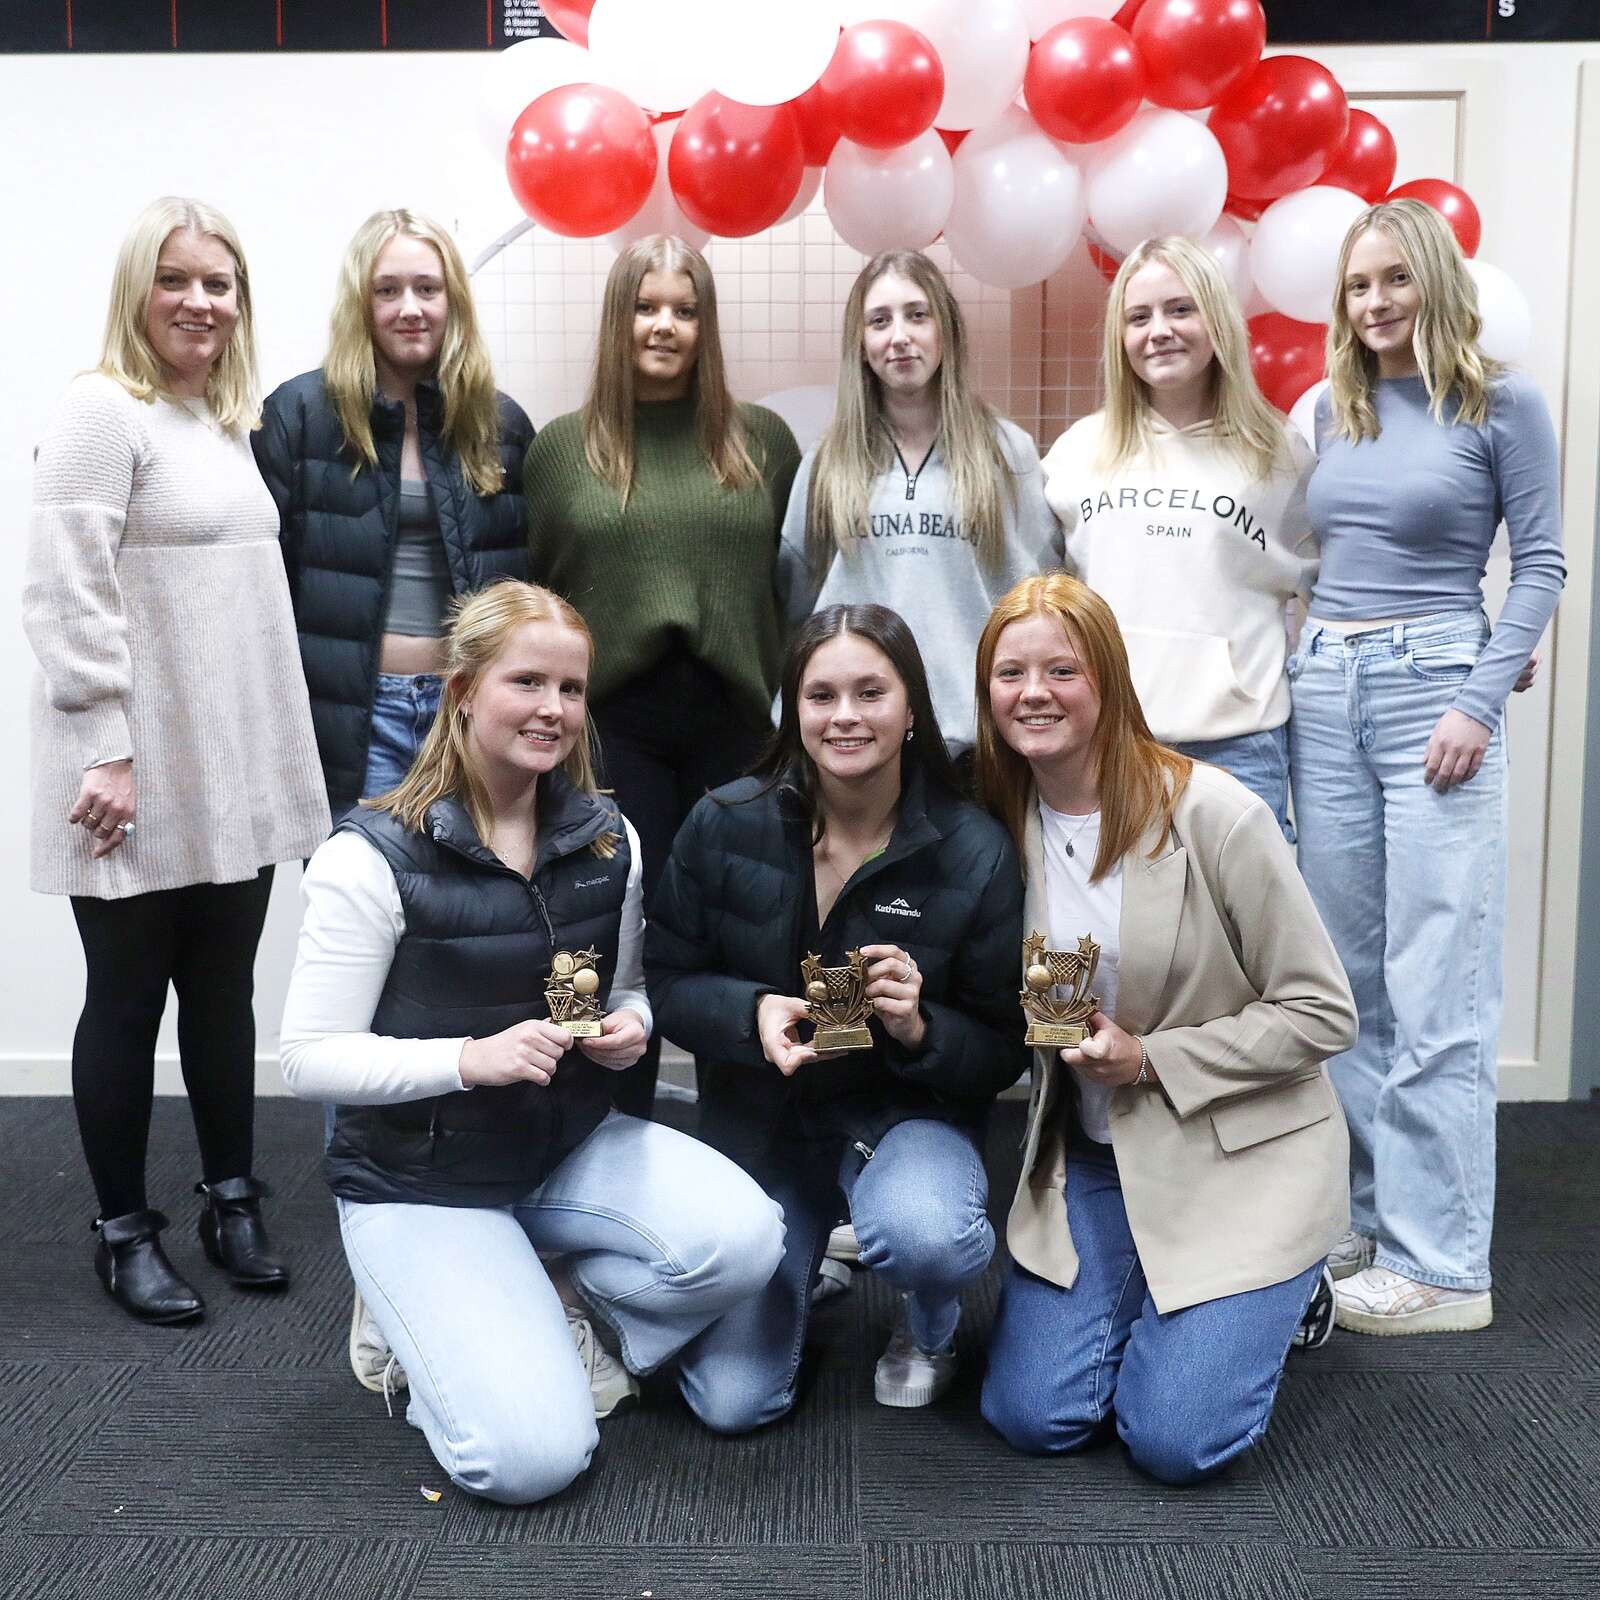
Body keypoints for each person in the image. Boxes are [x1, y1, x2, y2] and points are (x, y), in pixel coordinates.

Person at [278, 581, 784, 1505]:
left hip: (563, 1149)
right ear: (462, 688)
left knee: (748, 1242)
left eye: (573, 689)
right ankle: (415, 1332)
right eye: (527, 683)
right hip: (421, 1180)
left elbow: (624, 990)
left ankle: (549, 1307)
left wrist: (633, 1028)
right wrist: (466, 1060)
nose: (554, 710)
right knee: (528, 1462)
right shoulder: (369, 856)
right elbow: (308, 1057)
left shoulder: (609, 837)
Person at [974, 574, 1356, 1484]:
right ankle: (1169, 1288)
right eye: (1009, 673)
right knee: (1035, 1417)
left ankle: (1291, 1282)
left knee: (1173, 1441)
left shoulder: (1215, 814)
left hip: (1237, 1157)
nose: (1034, 693)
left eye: (1061, 669)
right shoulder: (998, 815)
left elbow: (1322, 1010)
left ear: (1108, 679)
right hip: (1100, 1159)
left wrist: (1152, 1059)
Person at [23, 196, 329, 1324]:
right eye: (177, 279)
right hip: (133, 769)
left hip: (227, 759)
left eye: (219, 282)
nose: (200, 300)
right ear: (136, 292)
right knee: (125, 998)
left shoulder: (215, 418)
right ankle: (120, 1229)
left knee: (222, 989)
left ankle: (230, 1198)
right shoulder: (103, 410)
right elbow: (64, 590)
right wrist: (106, 749)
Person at [646, 603, 1026, 1427]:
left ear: (913, 708)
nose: (845, 717)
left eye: (870, 693)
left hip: (903, 1118)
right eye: (821, 696)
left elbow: (1005, 1051)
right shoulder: (724, 823)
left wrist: (921, 1028)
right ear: (793, 709)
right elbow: (668, 979)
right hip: (765, 1125)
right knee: (733, 1405)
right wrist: (750, 1013)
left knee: (924, 1233)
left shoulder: (974, 847)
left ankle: (931, 1329)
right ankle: (795, 1272)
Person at [1291, 199, 1565, 1335]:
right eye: (1357, 287)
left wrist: (1479, 693)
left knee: (1438, 979)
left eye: (1394, 281)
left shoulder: (1501, 404)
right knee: (1349, 981)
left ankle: (1444, 1267)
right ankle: (1370, 1221)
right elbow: (1311, 556)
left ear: (1437, 283)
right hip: (1323, 684)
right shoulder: (1327, 407)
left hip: (1431, 688)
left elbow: (1541, 564)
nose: (1374, 304)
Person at [525, 234, 801, 1117]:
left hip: (736, 722)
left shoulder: (761, 441)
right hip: (611, 728)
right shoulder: (563, 451)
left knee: (748, 934)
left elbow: (790, 588)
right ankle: (593, 1126)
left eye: (685, 309)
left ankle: (755, 1138)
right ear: (618, 318)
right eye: (647, 305)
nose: (666, 324)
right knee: (599, 933)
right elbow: (535, 600)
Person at [254, 208, 534, 818]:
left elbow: (525, 588)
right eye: (388, 290)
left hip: (467, 717)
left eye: (427, 289)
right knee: (360, 907)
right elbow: (263, 584)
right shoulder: (301, 416)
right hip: (351, 720)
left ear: (452, 300)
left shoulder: (501, 424)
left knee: (470, 909)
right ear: (362, 302)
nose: (411, 307)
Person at [1040, 235, 1315, 834]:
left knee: (1237, 929)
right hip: (1108, 745)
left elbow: (1332, 587)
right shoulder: (1077, 455)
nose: (1159, 330)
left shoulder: (1279, 452)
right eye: (1139, 317)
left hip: (1240, 747)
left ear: (1215, 320)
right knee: (1116, 926)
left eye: (1180, 309)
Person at [778, 250, 1061, 762]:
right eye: (879, 321)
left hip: (976, 736)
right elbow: (797, 604)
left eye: (917, 314)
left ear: (945, 330)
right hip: (856, 735)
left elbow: (1041, 589)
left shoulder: (1006, 450)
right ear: (860, 344)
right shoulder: (828, 461)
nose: (899, 336)